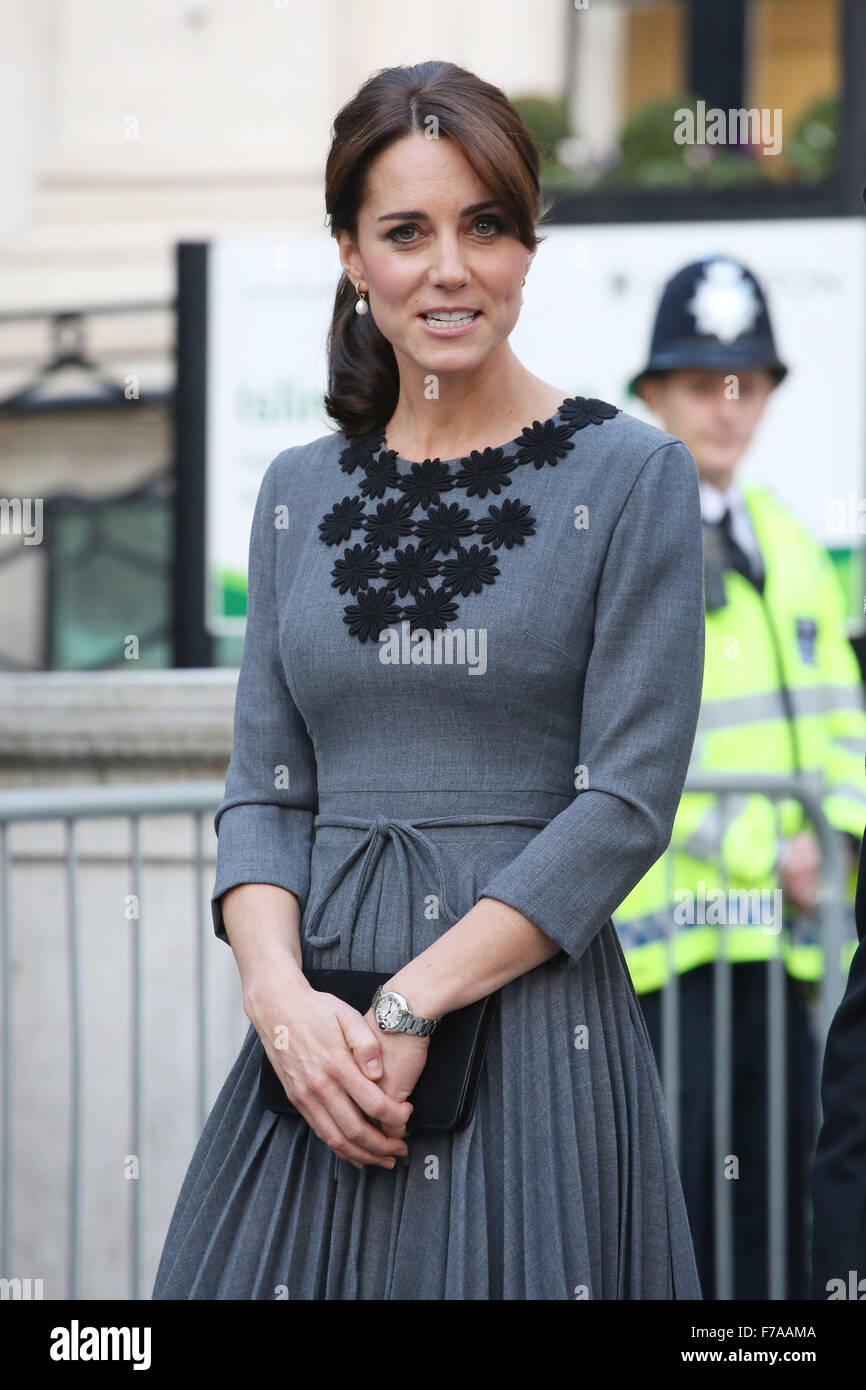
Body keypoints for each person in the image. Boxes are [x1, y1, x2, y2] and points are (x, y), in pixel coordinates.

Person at [152, 59, 706, 1301]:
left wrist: (408, 1006)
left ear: (527, 246)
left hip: (527, 1044)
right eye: (406, 231)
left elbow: (623, 804)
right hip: (316, 1058)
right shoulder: (296, 490)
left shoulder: (630, 478)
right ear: (352, 254)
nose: (448, 268)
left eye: (485, 226)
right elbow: (263, 791)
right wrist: (283, 1006)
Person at [613, 255, 865, 1299]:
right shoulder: (627, 540)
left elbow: (841, 727)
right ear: (652, 397)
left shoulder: (790, 544)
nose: (726, 410)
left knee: (779, 1218)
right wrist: (779, 847)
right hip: (666, 958)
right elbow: (632, 754)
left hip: (779, 946)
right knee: (678, 1227)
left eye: (745, 385)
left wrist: (834, 838)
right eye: (699, 385)